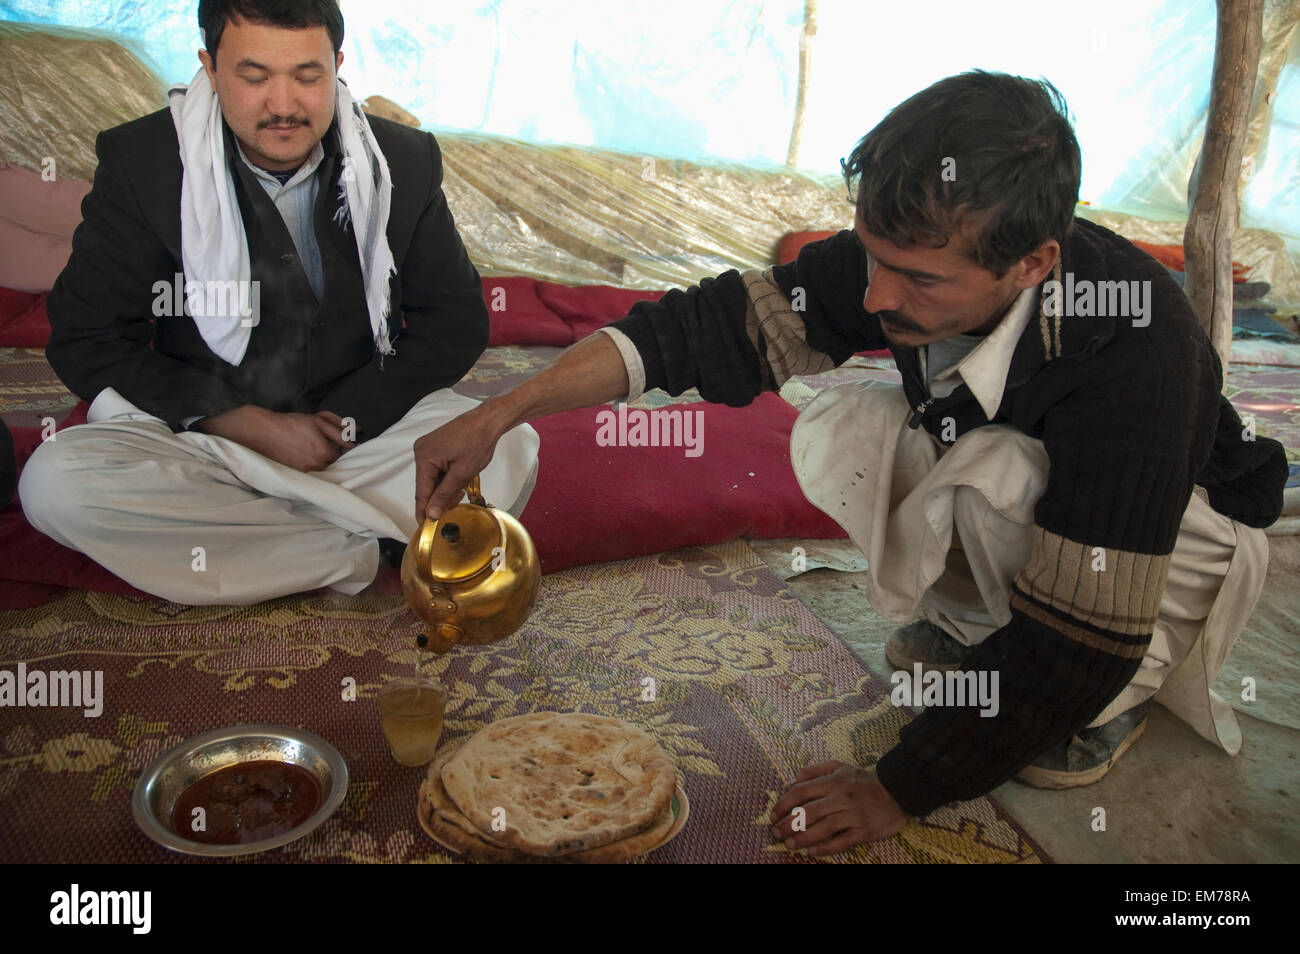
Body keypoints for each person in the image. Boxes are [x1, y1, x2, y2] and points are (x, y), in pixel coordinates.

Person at [409, 71, 1287, 855]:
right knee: (893, 433)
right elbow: (704, 328)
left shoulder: (1136, 355)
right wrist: (504, 408)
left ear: (1033, 264)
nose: (873, 297)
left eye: (917, 281)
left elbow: (1086, 627)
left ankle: (1117, 704)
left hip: (1170, 551)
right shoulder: (914, 249)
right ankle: (987, 636)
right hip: (1040, 511)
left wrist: (902, 788)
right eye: (869, 256)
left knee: (997, 479)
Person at [19, 0, 538, 605]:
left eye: (307, 76)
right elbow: (87, 337)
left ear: (338, 64)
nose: (284, 105)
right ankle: (359, 545)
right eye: (255, 76)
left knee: (507, 442)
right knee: (57, 483)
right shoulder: (145, 164)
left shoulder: (402, 161)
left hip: (360, 435)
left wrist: (344, 422)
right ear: (209, 68)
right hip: (208, 442)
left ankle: (271, 541)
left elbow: (454, 321)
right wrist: (243, 423)